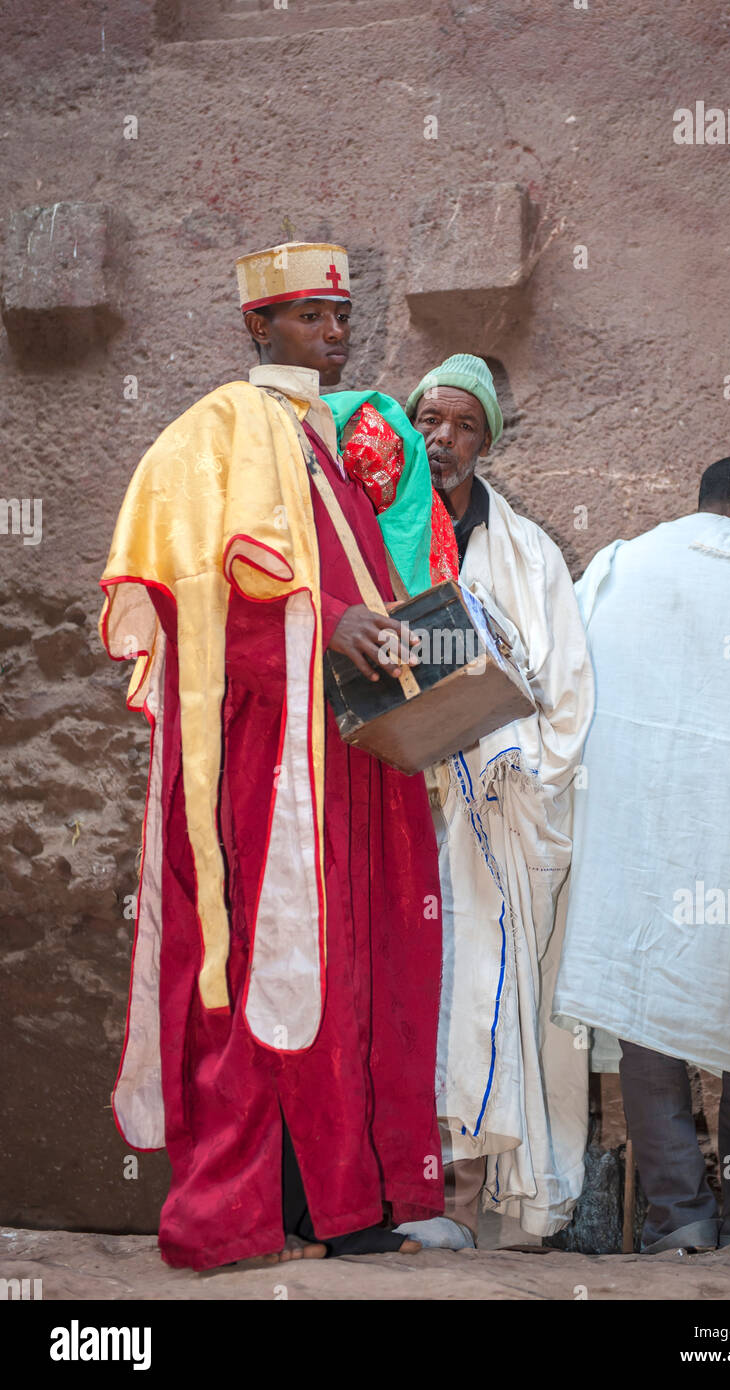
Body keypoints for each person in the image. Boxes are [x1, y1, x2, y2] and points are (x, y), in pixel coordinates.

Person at [99, 241, 444, 1270]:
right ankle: (248, 1207)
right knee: (263, 963)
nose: (332, 335)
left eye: (339, 317)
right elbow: (197, 585)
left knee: (342, 964)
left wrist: (396, 639)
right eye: (307, 318)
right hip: (257, 757)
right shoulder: (223, 428)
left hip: (339, 750)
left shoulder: (323, 440)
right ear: (256, 328)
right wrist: (330, 620)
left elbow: (345, 590)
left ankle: (338, 1203)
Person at [553, 455, 730, 1254]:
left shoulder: (615, 568)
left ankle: (678, 1218)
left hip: (631, 841)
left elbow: (562, 689)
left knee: (643, 1008)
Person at [393, 354, 595, 1247]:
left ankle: (469, 1198)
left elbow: (569, 689)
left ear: (486, 440)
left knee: (482, 985)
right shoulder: (380, 533)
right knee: (406, 990)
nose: (441, 439)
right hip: (399, 808)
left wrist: (518, 769)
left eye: (461, 425)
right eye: (428, 421)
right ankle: (396, 1198)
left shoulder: (530, 552)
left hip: (493, 822)